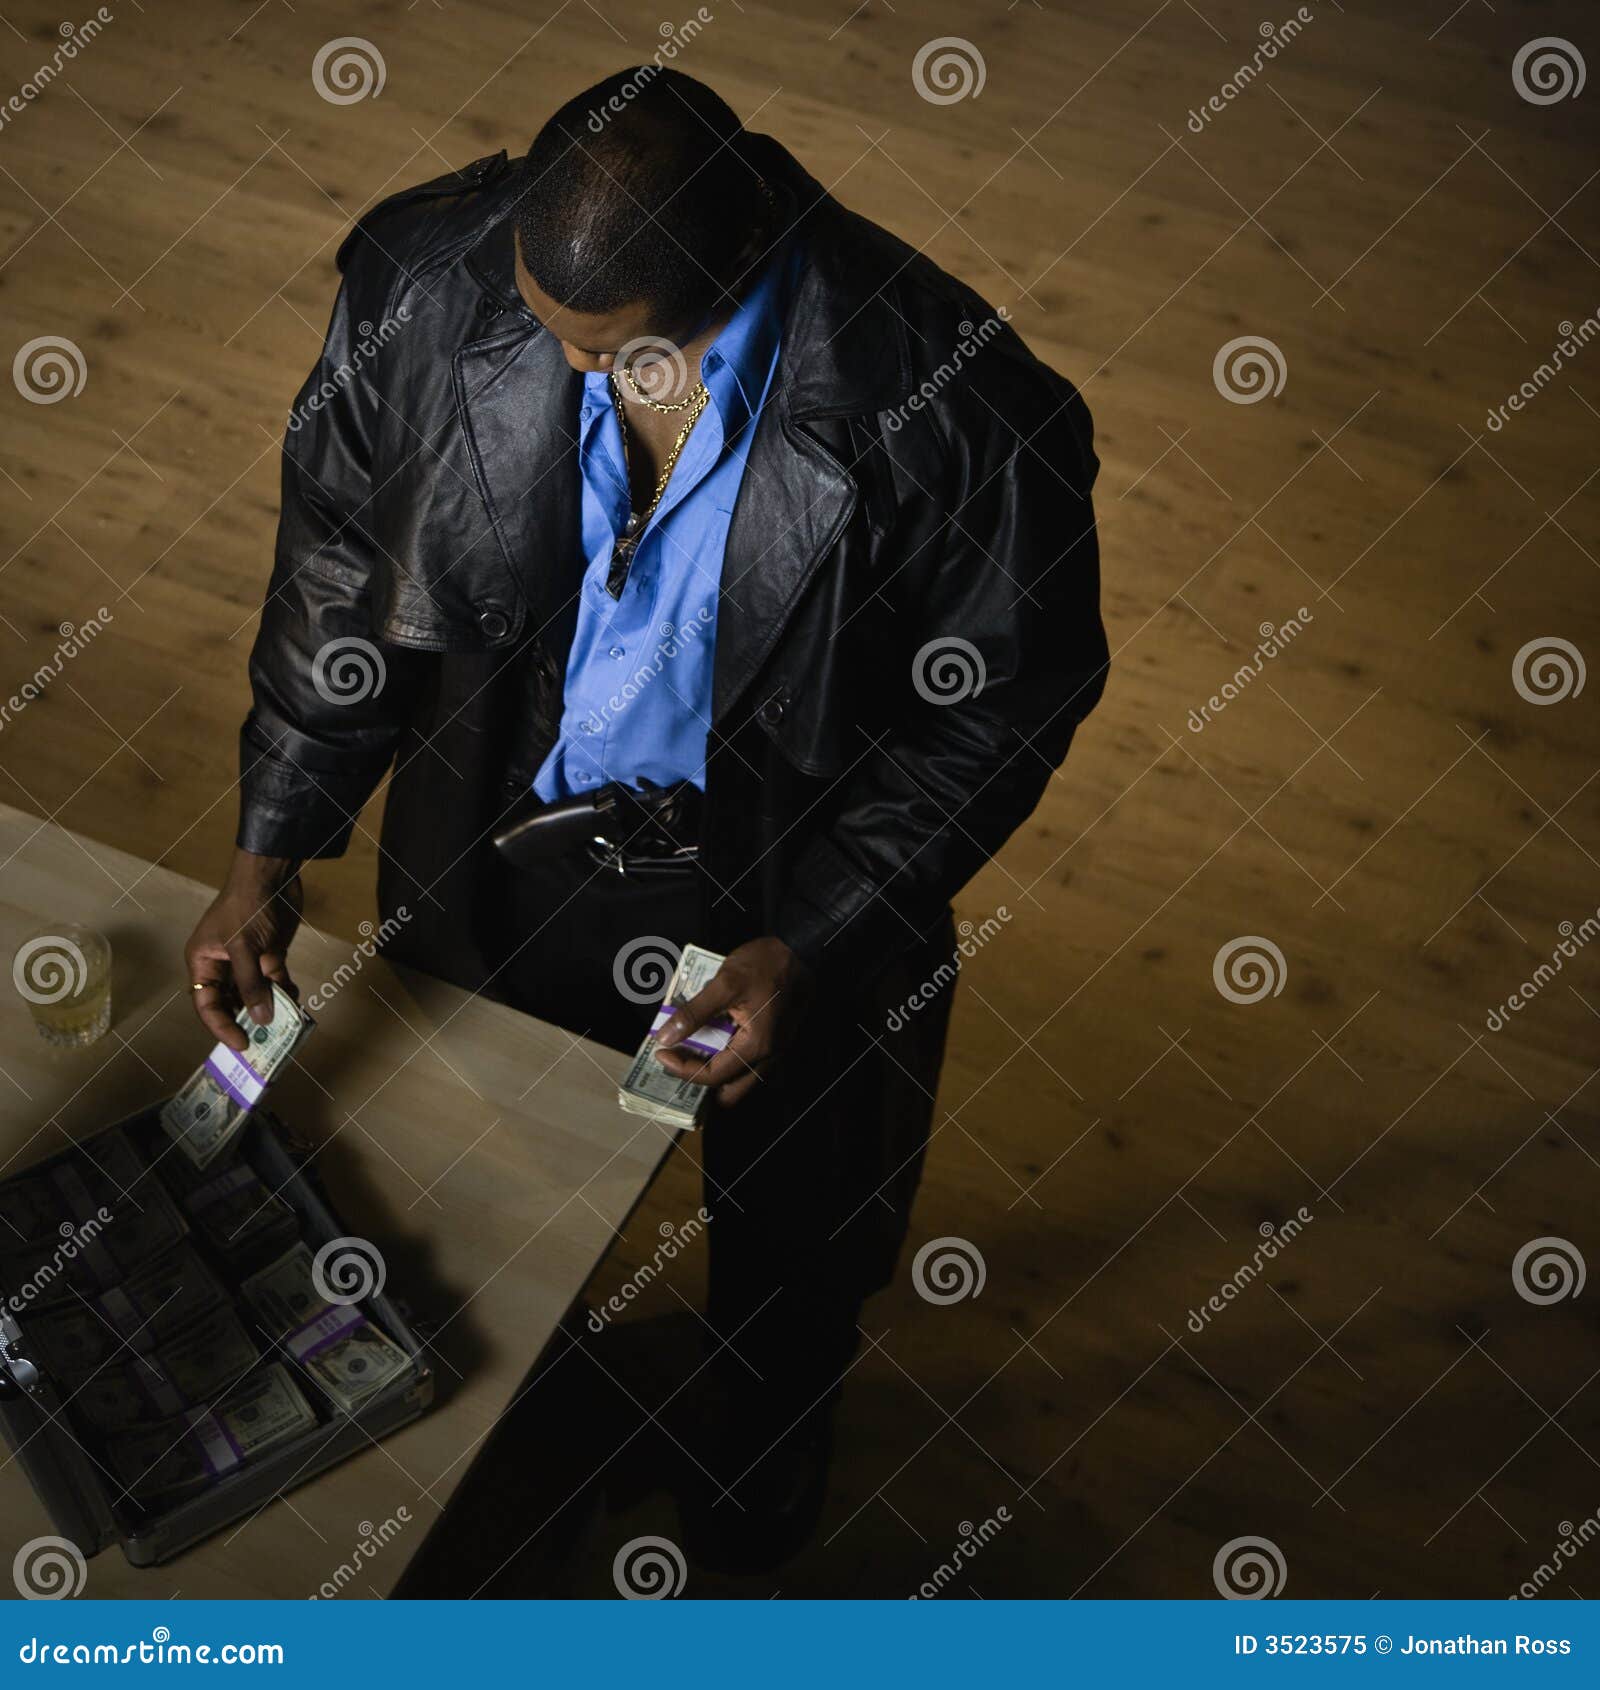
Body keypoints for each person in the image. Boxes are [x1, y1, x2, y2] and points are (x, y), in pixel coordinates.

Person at [183, 65, 1108, 1575]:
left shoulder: (958, 403)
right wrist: (266, 848)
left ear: (733, 277)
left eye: (604, 350)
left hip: (783, 883)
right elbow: (339, 565)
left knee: (791, 1271)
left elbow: (1004, 702)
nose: (562, 368)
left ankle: (751, 1529)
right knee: (472, 1213)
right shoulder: (425, 280)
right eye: (541, 325)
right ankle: (518, 1475)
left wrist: (812, 938)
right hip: (502, 836)